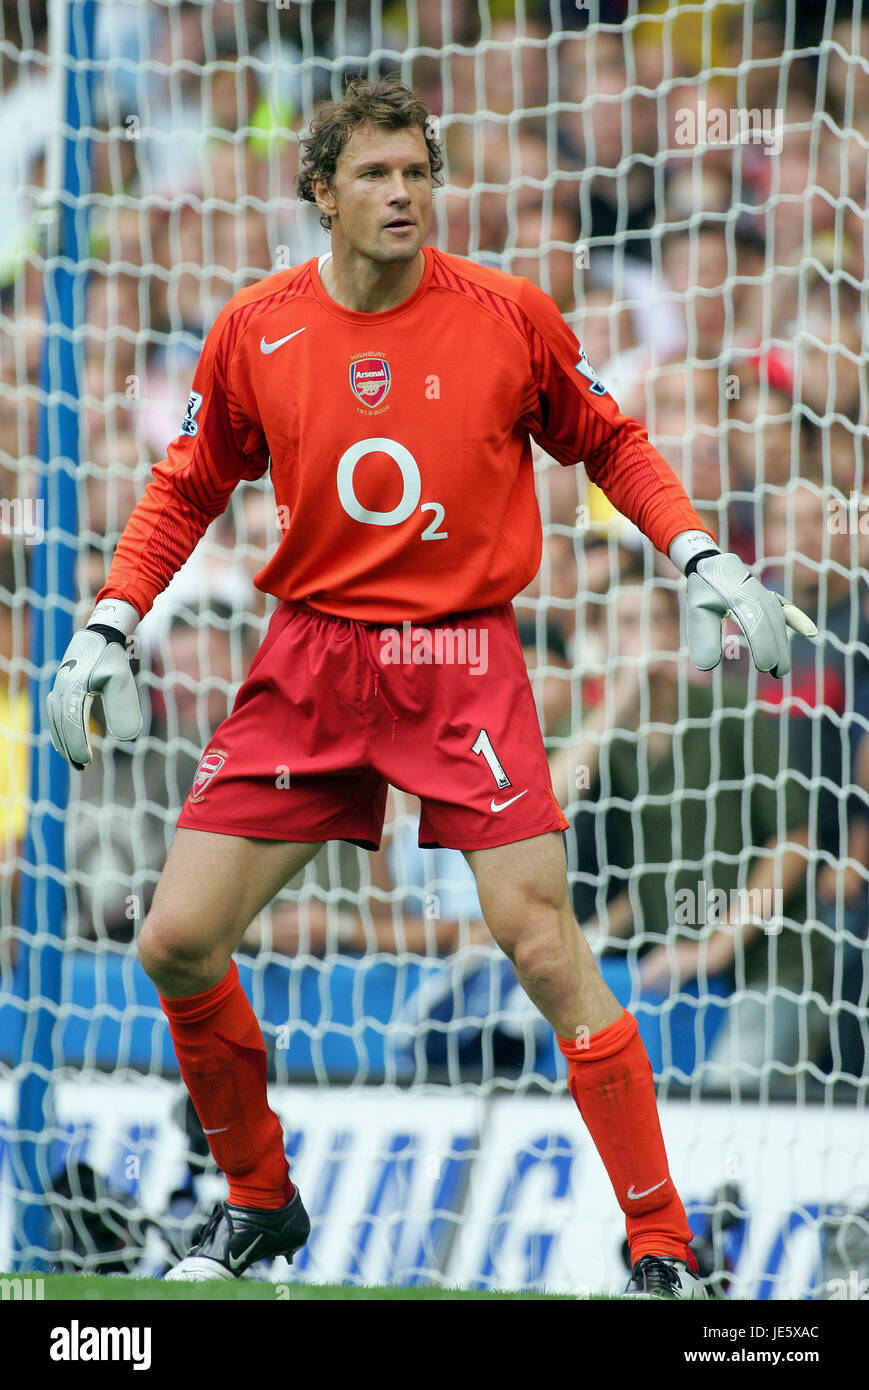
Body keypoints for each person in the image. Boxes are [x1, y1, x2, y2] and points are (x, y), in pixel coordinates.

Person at [46, 74, 816, 1298]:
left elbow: (607, 438)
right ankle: (259, 1202)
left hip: (459, 658)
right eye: (374, 174)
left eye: (417, 172)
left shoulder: (505, 314)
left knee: (539, 943)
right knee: (178, 938)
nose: (402, 193)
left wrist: (698, 553)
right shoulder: (256, 327)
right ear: (319, 194)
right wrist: (109, 621)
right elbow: (188, 484)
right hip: (307, 658)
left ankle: (662, 1244)